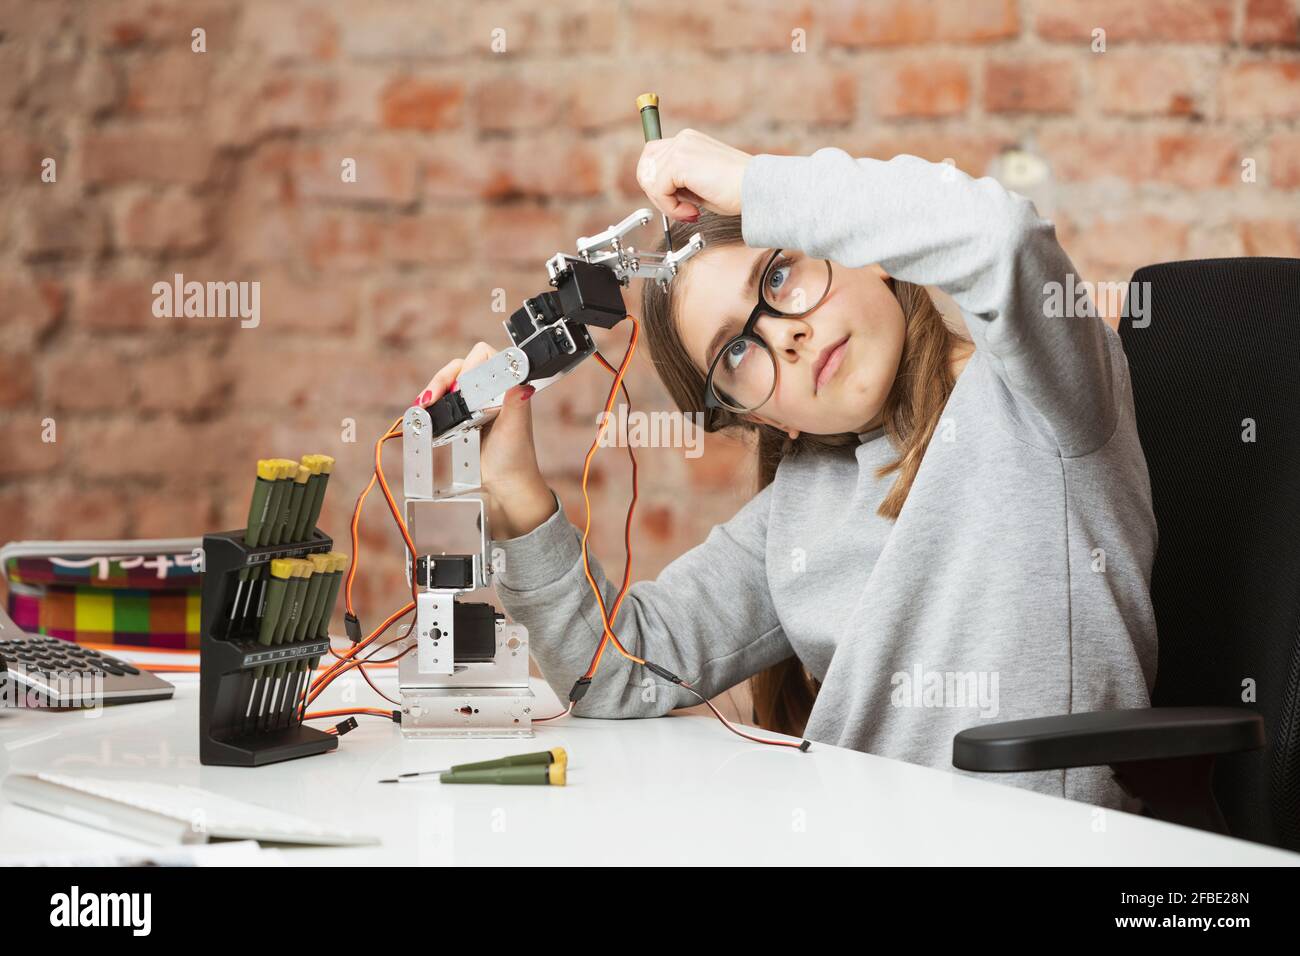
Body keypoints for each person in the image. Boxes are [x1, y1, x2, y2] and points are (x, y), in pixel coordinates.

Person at [415, 130, 1158, 810]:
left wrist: (759, 185)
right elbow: (614, 673)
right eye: (737, 353)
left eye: (782, 274)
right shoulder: (798, 512)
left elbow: (1003, 238)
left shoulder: (1041, 395)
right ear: (764, 418)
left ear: (865, 248)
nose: (788, 335)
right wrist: (513, 489)